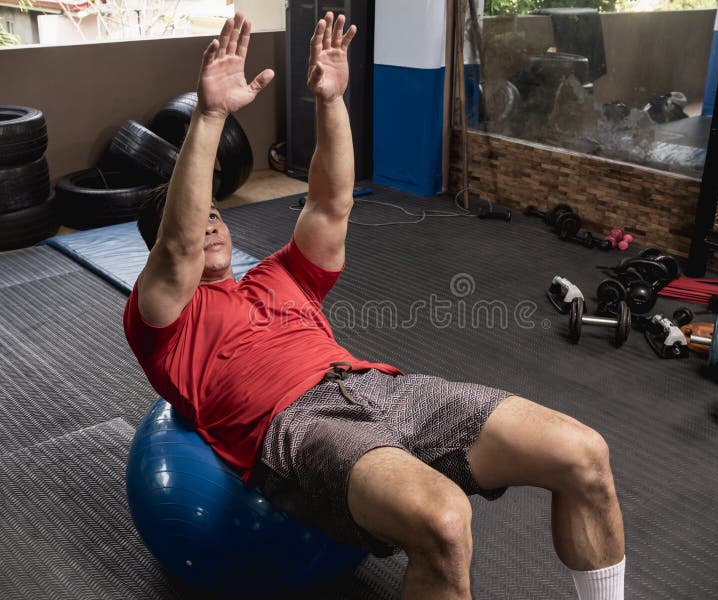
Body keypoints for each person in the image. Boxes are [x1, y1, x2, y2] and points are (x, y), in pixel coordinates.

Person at [124, 12, 626, 600]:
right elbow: (179, 245)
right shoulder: (161, 322)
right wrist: (210, 115)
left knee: (583, 453)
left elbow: (332, 203)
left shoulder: (281, 274)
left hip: (385, 388)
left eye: (215, 214)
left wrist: (332, 101)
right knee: (443, 523)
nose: (208, 224)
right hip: (299, 425)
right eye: (194, 216)